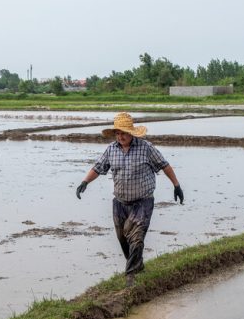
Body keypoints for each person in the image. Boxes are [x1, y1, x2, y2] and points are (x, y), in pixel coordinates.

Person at [76, 112, 184, 287]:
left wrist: (176, 185)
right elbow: (98, 167)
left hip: (142, 201)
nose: (120, 136)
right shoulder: (111, 149)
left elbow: (164, 165)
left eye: (124, 133)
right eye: (117, 133)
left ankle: (130, 276)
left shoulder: (146, 147)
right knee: (123, 238)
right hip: (120, 202)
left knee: (136, 237)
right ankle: (137, 265)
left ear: (132, 133)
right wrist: (84, 182)